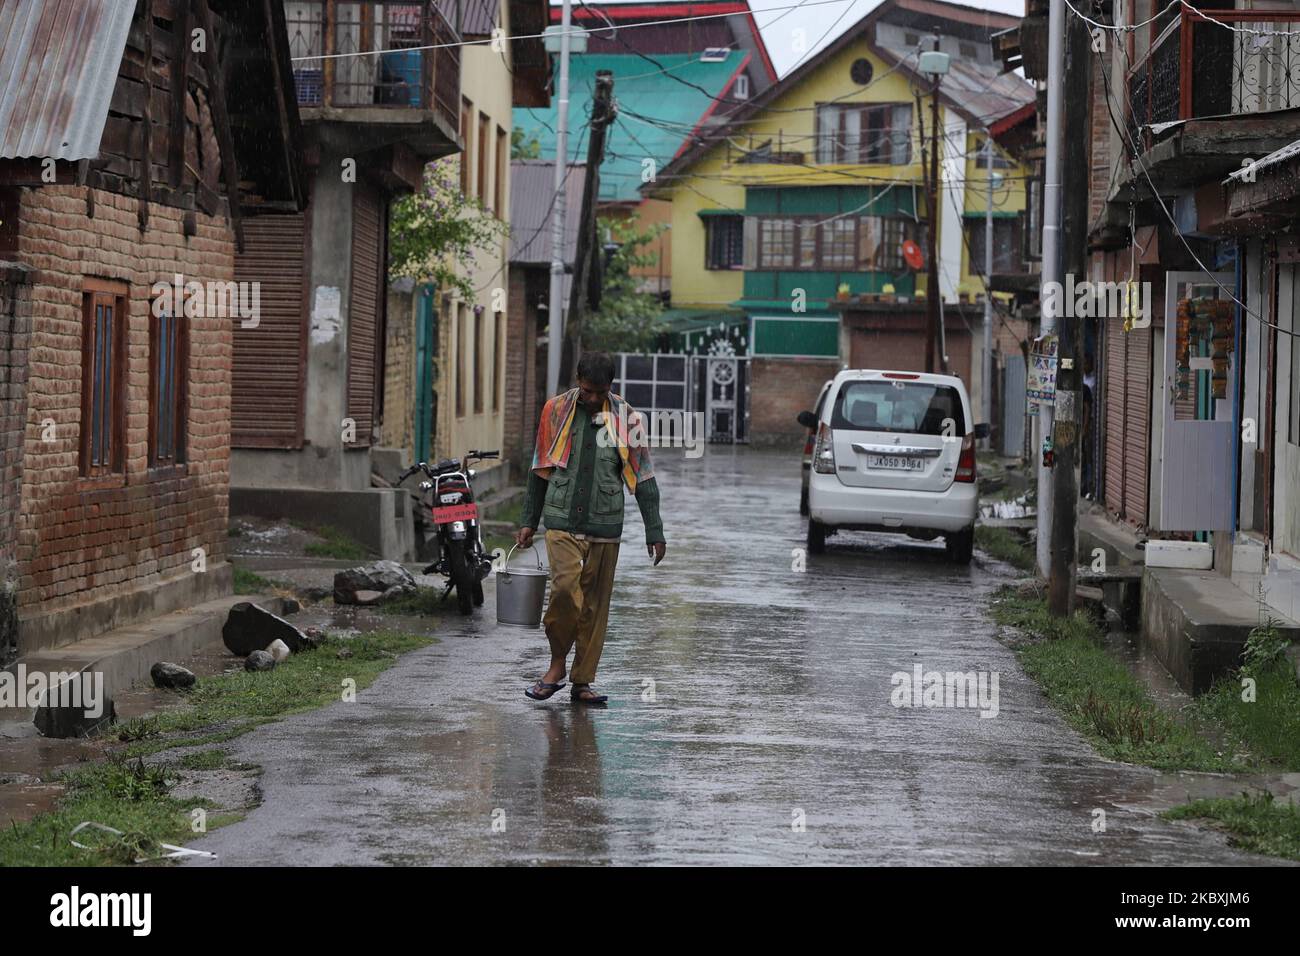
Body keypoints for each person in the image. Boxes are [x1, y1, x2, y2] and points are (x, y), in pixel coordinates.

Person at [516, 352, 667, 705]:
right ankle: (556, 666)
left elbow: (643, 474)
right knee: (566, 592)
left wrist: (654, 531)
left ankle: (582, 681)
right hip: (561, 517)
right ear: (578, 381)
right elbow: (540, 467)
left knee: (596, 605)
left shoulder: (627, 418)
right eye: (587, 391)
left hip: (605, 521)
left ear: (610, 387)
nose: (593, 398)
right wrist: (528, 520)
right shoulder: (554, 411)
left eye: (600, 392)